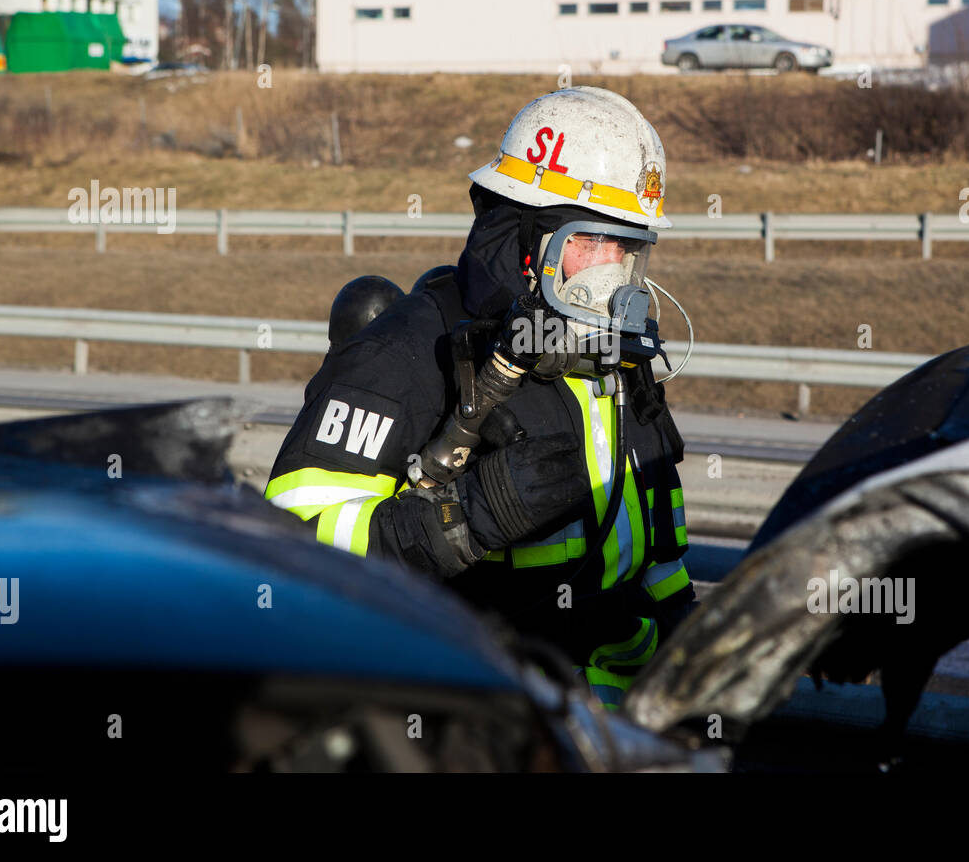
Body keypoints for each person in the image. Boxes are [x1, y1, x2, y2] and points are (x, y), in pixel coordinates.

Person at [264, 87, 695, 709]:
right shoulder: (407, 355)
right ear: (525, 239)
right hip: (473, 726)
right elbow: (290, 548)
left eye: (627, 248)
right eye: (592, 242)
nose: (612, 273)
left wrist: (693, 641)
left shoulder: (614, 362)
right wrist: (464, 521)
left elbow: (654, 552)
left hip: (610, 731)